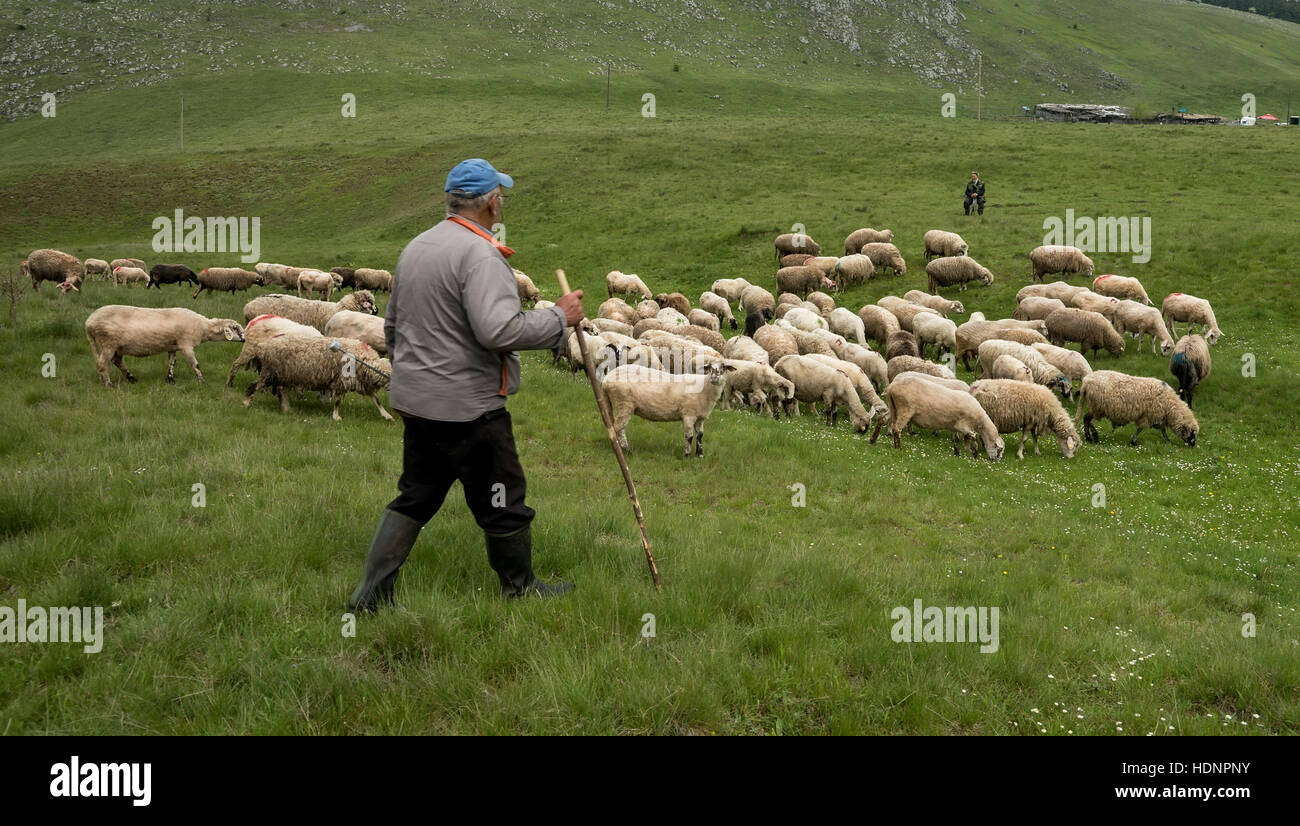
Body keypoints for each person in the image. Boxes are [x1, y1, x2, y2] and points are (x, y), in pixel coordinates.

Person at [348, 158, 585, 610]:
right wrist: (559, 317)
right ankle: (519, 588)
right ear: (492, 202)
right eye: (502, 195)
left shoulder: (417, 246)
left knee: (417, 493)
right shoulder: (482, 255)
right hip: (468, 411)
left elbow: (392, 328)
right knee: (502, 497)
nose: (504, 202)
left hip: (418, 404)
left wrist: (416, 379)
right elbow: (498, 330)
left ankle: (370, 596)